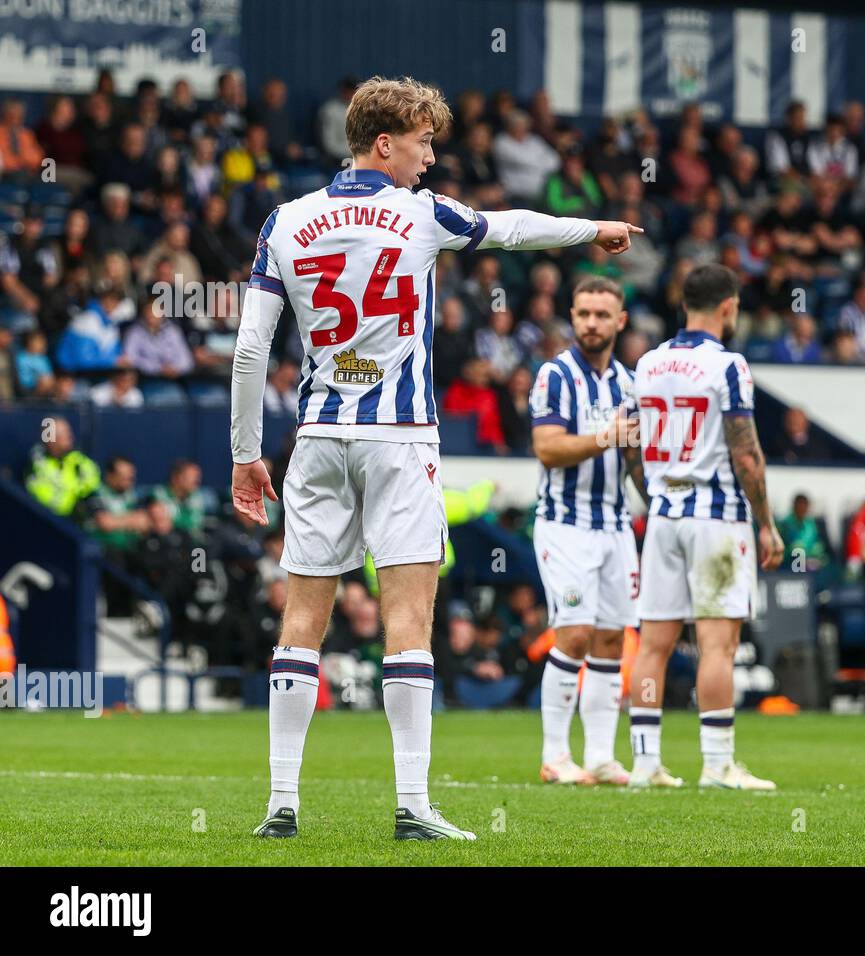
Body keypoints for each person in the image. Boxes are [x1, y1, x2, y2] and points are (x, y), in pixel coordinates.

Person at [230, 75, 642, 842]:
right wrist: (592, 229)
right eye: (422, 143)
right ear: (384, 143)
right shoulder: (420, 215)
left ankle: (281, 804)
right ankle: (412, 806)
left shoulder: (285, 222)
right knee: (408, 616)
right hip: (402, 437)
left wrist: (245, 455)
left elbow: (252, 346)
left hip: (317, 437)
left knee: (302, 618)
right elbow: (511, 229)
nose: (428, 159)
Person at [629, 264, 784, 791]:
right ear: (728, 306)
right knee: (717, 645)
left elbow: (630, 443)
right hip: (716, 521)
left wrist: (651, 495)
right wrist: (766, 523)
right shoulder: (728, 364)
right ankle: (717, 765)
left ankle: (645, 764)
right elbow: (746, 453)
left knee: (653, 645)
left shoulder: (647, 363)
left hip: (663, 519)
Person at [530, 276, 647, 786]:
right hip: (565, 526)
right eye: (583, 314)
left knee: (610, 640)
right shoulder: (554, 376)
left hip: (616, 526)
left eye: (602, 315)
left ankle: (600, 754)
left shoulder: (628, 382)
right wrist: (607, 436)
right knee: (574, 634)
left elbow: (634, 457)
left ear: (620, 321)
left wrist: (660, 499)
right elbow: (548, 448)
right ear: (572, 317)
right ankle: (556, 755)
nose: (592, 323)